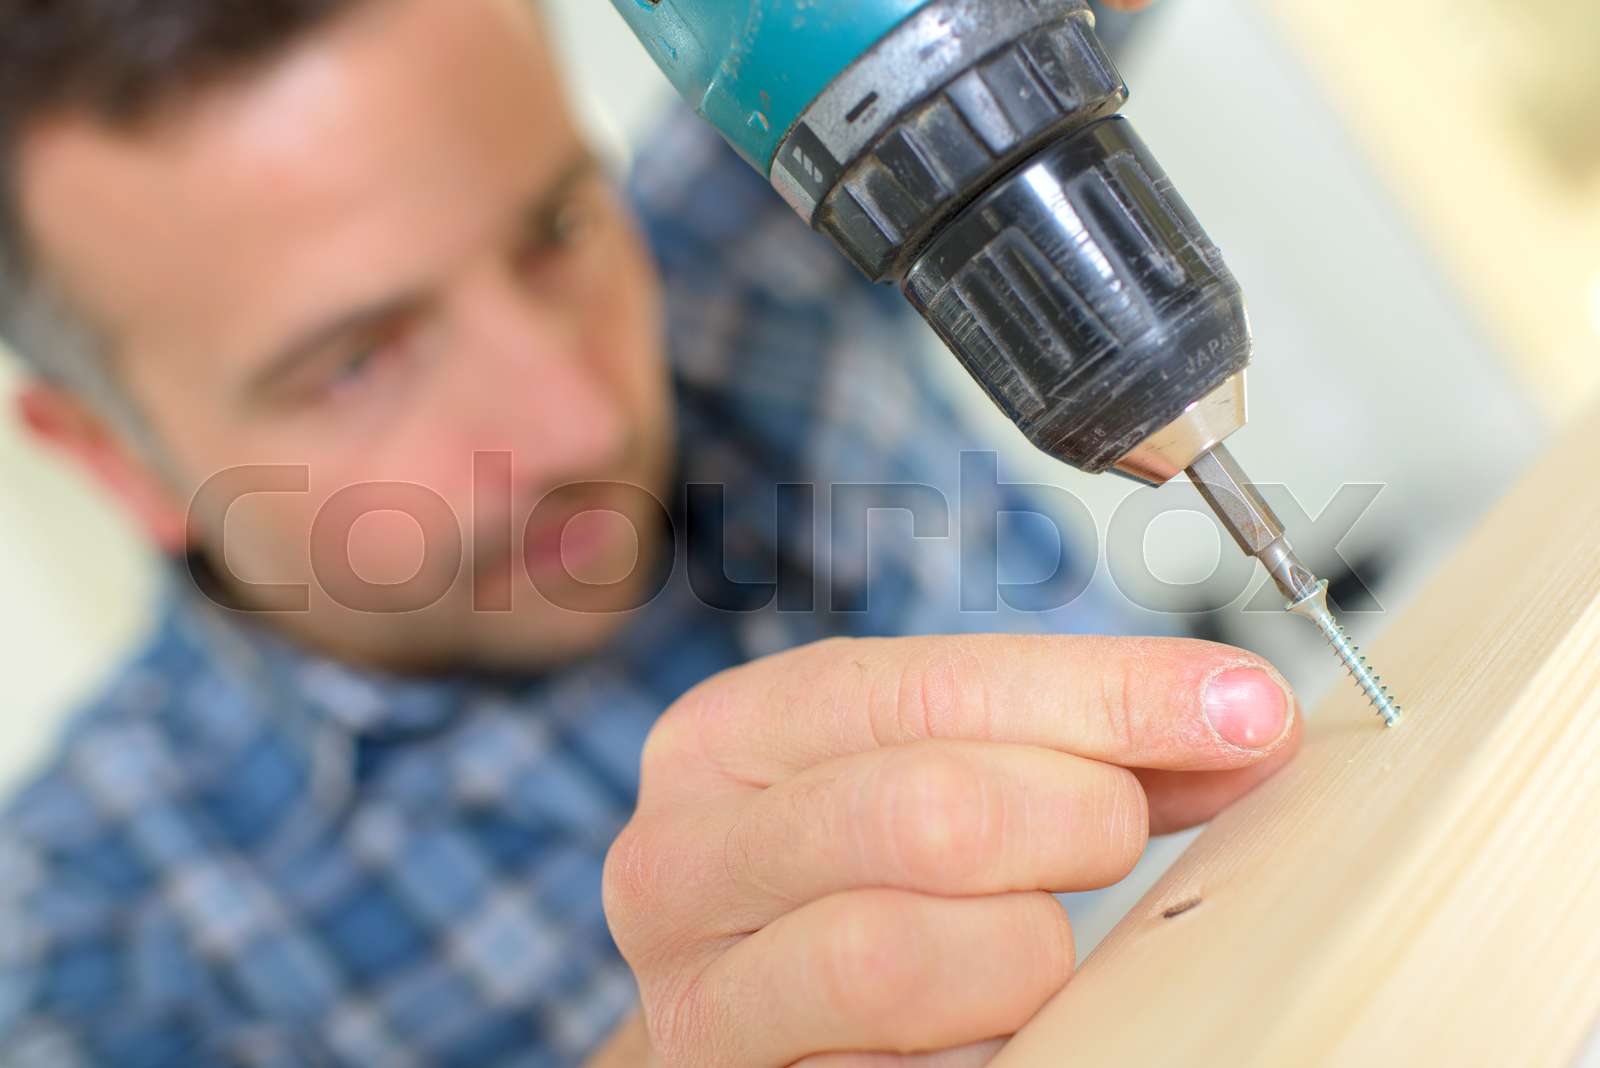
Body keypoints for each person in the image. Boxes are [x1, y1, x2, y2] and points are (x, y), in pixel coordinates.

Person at [0, 0, 1302, 1064]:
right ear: (115, 459)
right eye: (356, 362)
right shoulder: (90, 949)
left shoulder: (743, 260)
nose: (575, 423)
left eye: (556, 230)